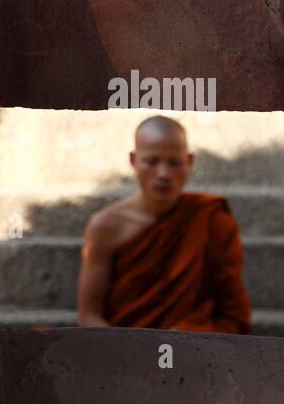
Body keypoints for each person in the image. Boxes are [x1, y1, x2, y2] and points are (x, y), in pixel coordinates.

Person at [77, 115, 251, 333]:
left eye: (174, 163)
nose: (163, 174)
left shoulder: (212, 220)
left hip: (191, 351)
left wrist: (190, 338)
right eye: (151, 161)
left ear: (189, 162)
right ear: (133, 160)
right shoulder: (105, 226)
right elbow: (89, 316)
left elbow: (232, 314)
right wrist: (128, 352)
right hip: (124, 352)